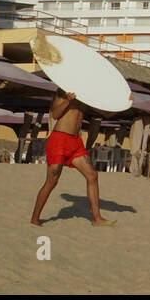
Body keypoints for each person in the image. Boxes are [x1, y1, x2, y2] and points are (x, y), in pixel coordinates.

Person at [30, 90, 112, 226]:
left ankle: (97, 219)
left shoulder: (85, 94)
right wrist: (68, 100)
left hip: (75, 142)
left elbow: (105, 113)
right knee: (52, 181)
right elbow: (55, 114)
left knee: (92, 175)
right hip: (59, 139)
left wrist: (126, 102)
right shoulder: (62, 91)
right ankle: (34, 219)